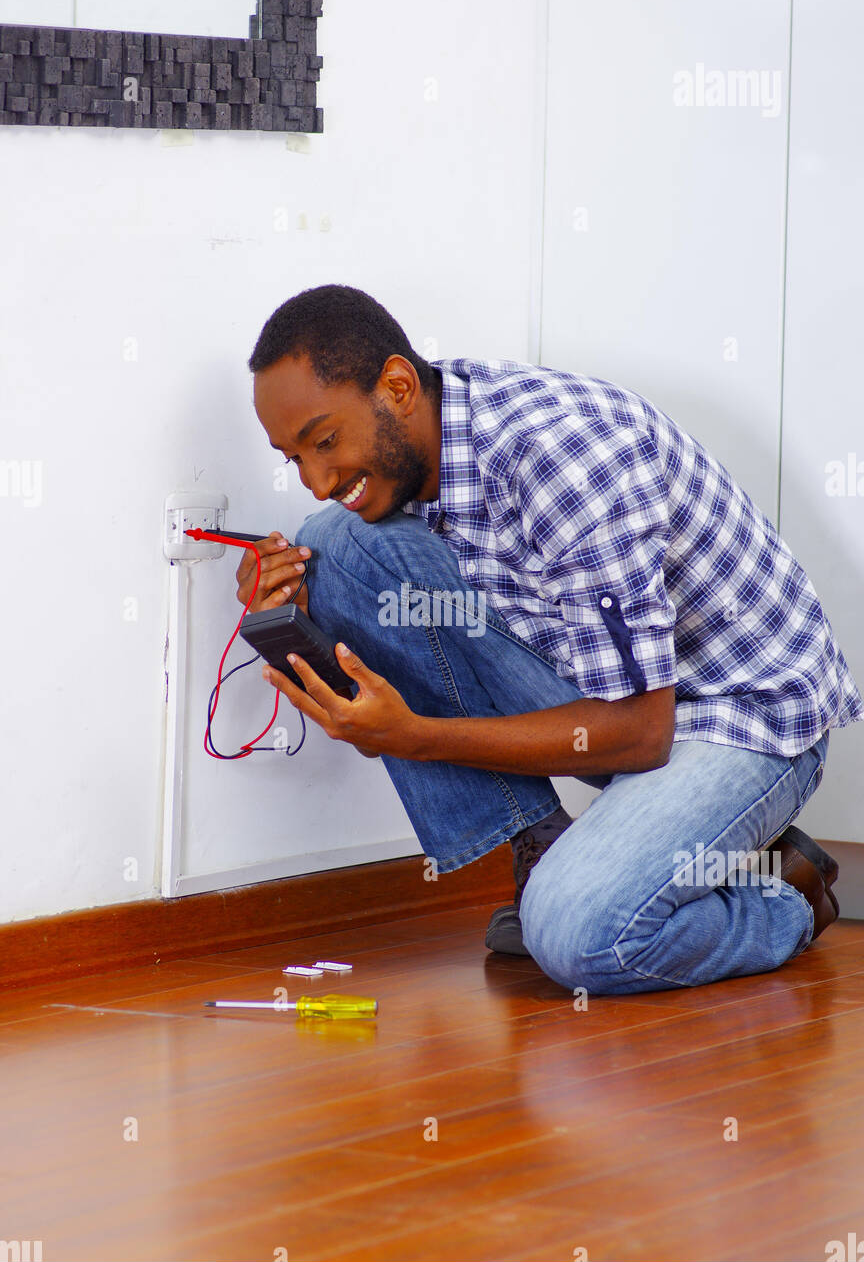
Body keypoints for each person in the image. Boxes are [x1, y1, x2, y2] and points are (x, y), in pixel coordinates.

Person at [235, 283, 863, 996]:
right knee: (334, 550)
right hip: (613, 690)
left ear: (399, 387)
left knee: (574, 936)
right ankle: (549, 848)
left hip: (741, 720)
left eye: (324, 442)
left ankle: (786, 895)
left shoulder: (564, 461)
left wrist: (414, 736)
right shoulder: (437, 432)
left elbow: (641, 734)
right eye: (294, 458)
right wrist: (289, 597)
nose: (316, 480)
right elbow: (378, 583)